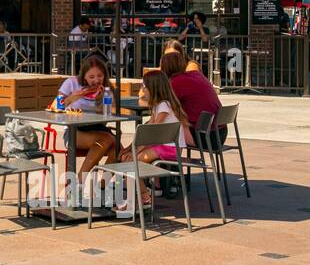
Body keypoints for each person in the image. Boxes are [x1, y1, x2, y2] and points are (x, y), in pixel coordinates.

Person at [116, 69, 194, 213]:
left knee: (130, 164)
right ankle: (142, 198)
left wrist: (134, 152)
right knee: (129, 161)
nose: (142, 89)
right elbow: (147, 131)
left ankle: (141, 199)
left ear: (154, 88)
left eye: (144, 86)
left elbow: (152, 134)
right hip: (164, 146)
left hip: (168, 148)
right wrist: (129, 149)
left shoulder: (163, 106)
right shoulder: (162, 104)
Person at [52, 54, 118, 181]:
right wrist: (73, 97)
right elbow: (55, 106)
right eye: (91, 77)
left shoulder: (107, 89)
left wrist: (103, 98)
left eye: (100, 76)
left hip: (98, 128)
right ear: (84, 76)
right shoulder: (72, 83)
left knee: (119, 150)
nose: (96, 80)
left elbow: (111, 112)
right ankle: (80, 181)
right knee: (106, 139)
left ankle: (102, 185)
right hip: (74, 131)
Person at [159, 49, 222, 140]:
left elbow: (163, 104)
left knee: (164, 123)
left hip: (203, 135)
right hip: (219, 133)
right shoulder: (196, 74)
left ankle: (165, 153)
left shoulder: (175, 82)